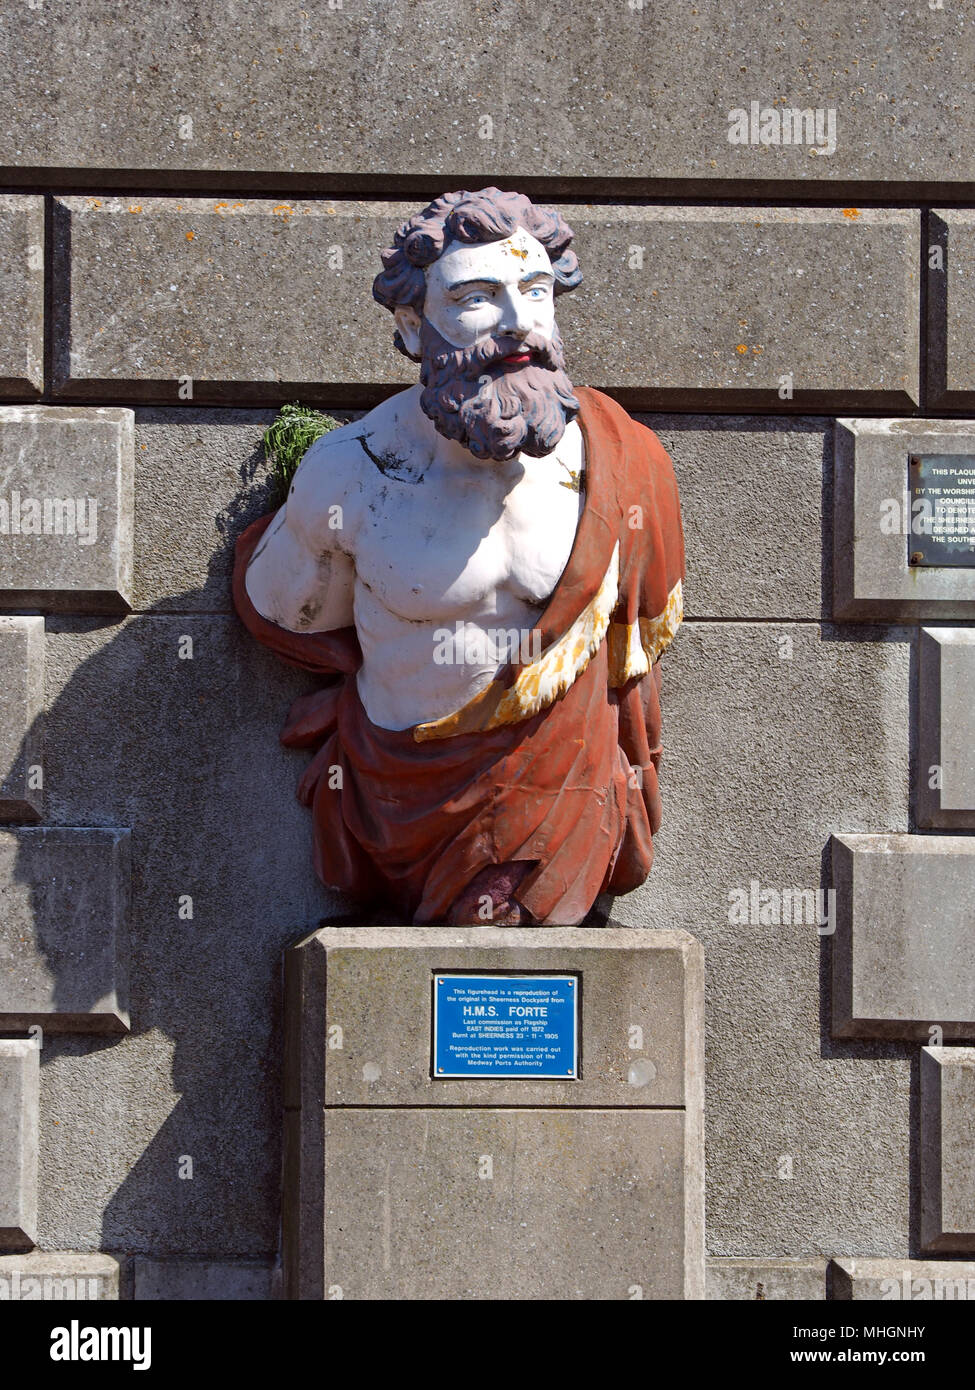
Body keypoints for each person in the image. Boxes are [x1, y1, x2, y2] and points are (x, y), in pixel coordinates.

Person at [233, 188, 684, 925]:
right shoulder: (352, 472)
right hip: (401, 794)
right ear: (414, 328)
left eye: (535, 292)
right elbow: (287, 612)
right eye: (477, 298)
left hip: (563, 793)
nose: (518, 323)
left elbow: (635, 643)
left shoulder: (625, 461)